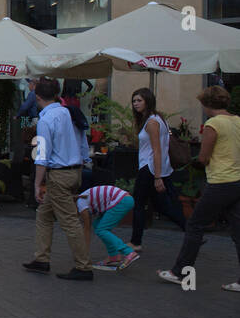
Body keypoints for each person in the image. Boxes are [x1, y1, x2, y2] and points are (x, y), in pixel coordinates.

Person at [159, 86, 240, 291]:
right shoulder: (237, 120)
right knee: (238, 231)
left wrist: (193, 162)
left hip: (220, 181)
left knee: (195, 224)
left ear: (207, 104)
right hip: (237, 181)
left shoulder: (213, 124)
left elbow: (203, 158)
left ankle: (180, 272)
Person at [23, 78, 93, 279]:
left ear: (37, 97)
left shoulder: (45, 120)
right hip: (74, 170)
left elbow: (42, 156)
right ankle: (41, 259)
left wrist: (36, 184)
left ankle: (83, 266)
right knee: (44, 214)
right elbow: (82, 139)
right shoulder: (66, 112)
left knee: (70, 221)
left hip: (60, 175)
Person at [129, 87, 187, 250]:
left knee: (139, 204)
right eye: (134, 101)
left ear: (148, 100)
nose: (135, 104)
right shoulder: (157, 118)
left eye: (139, 100)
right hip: (157, 168)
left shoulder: (152, 122)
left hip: (150, 168)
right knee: (162, 206)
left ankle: (136, 241)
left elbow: (157, 150)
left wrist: (157, 177)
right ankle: (190, 229)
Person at [76, 184, 139, 271]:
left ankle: (128, 252)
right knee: (97, 225)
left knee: (101, 229)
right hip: (124, 199)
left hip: (121, 200)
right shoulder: (81, 200)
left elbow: (87, 229)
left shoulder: (80, 204)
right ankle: (114, 256)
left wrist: (84, 256)